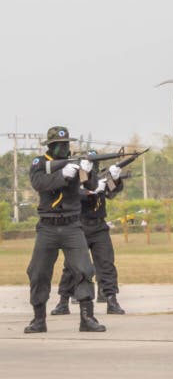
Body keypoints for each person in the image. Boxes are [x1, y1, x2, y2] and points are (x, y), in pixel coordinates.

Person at [25, 126, 106, 333]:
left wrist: (88, 171)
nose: (63, 147)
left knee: (84, 270)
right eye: (59, 145)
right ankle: (38, 319)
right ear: (50, 146)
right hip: (48, 226)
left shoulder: (75, 163)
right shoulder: (39, 163)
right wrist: (63, 174)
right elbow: (39, 183)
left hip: (72, 226)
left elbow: (92, 187)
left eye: (66, 144)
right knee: (38, 272)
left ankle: (87, 318)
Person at [51, 154, 127, 315]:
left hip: (99, 227)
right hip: (79, 226)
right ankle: (63, 301)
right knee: (71, 266)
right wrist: (90, 191)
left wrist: (115, 178)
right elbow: (71, 194)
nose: (93, 166)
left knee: (106, 264)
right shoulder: (74, 179)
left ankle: (111, 300)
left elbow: (112, 192)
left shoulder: (101, 178)